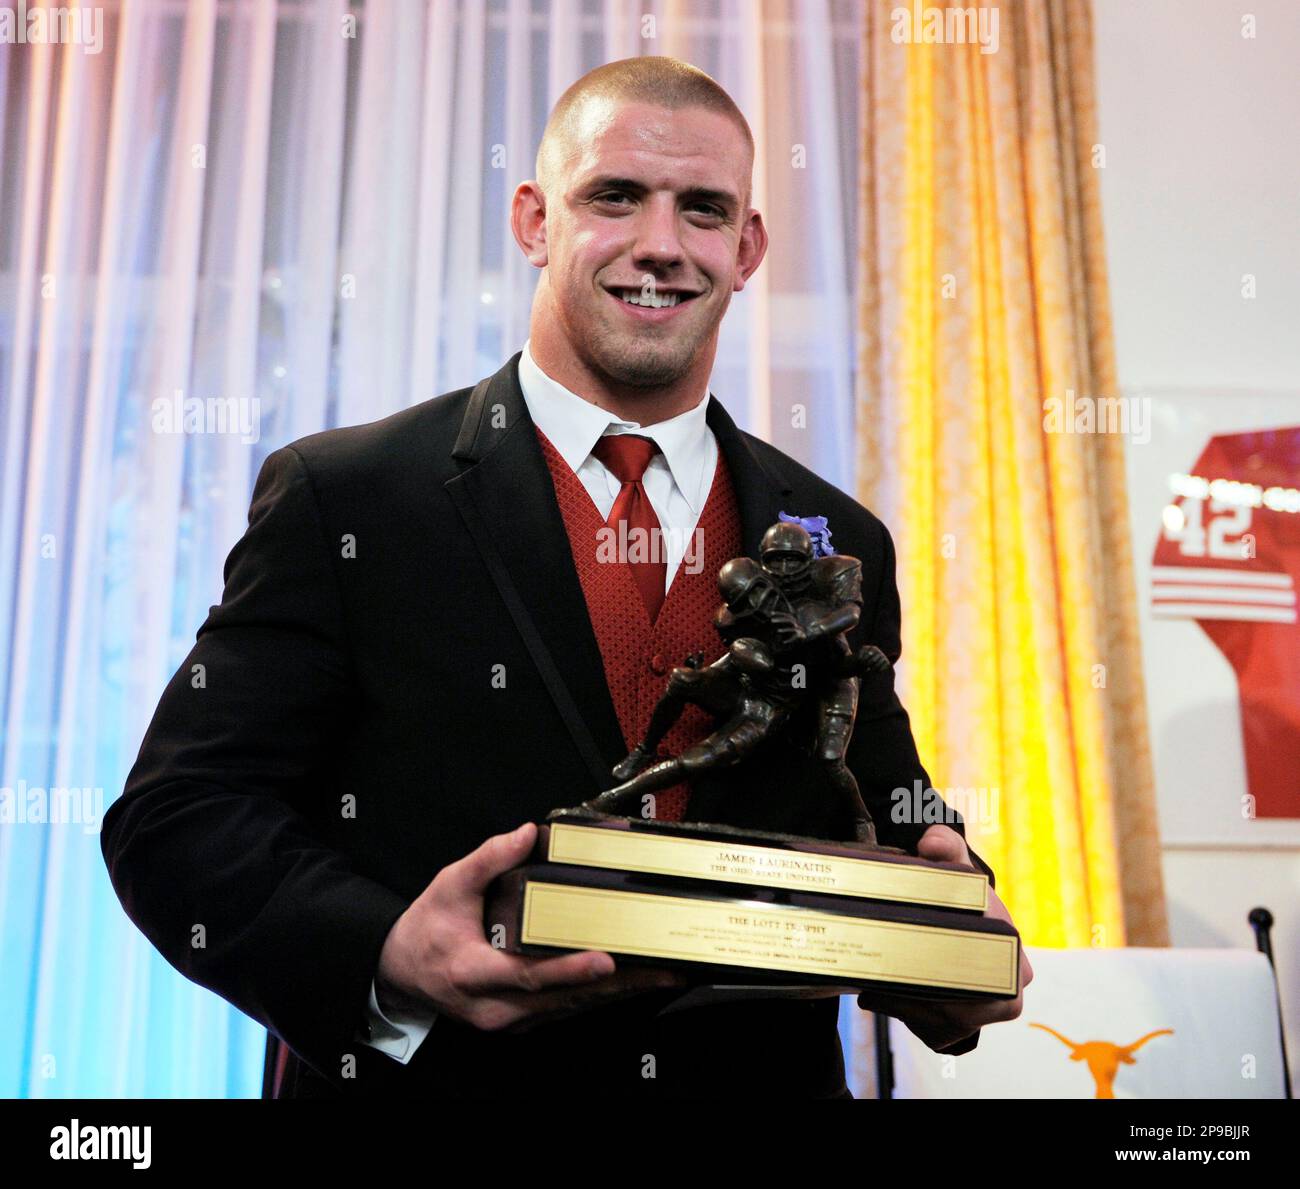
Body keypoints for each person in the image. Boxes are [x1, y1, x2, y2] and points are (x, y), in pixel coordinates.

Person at [101, 55, 1031, 1100]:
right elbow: (180, 815)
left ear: (747, 246)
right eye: (615, 197)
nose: (660, 246)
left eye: (703, 209)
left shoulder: (832, 534)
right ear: (536, 219)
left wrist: (959, 916)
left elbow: (874, 790)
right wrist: (389, 956)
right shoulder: (348, 498)